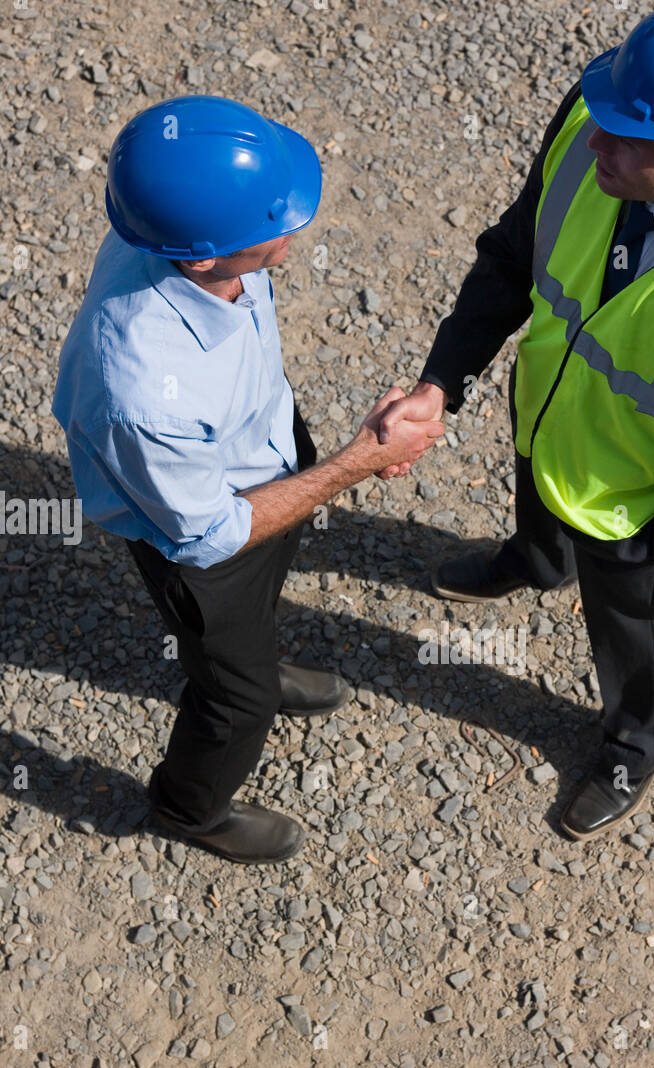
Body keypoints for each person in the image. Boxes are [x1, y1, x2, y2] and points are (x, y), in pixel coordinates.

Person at [379, 0, 654, 841]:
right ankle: (535, 559)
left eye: (624, 140)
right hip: (545, 424)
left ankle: (633, 739)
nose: (594, 144)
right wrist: (442, 380)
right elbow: (514, 252)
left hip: (634, 506)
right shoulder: (598, 124)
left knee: (641, 626)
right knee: (539, 508)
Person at [52, 96, 442, 864]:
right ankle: (187, 809)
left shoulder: (191, 237)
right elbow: (207, 535)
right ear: (200, 257)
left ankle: (251, 656)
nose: (293, 230)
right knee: (236, 700)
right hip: (204, 530)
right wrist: (355, 461)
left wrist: (322, 463)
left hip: (255, 457)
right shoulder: (141, 388)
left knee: (263, 600)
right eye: (276, 222)